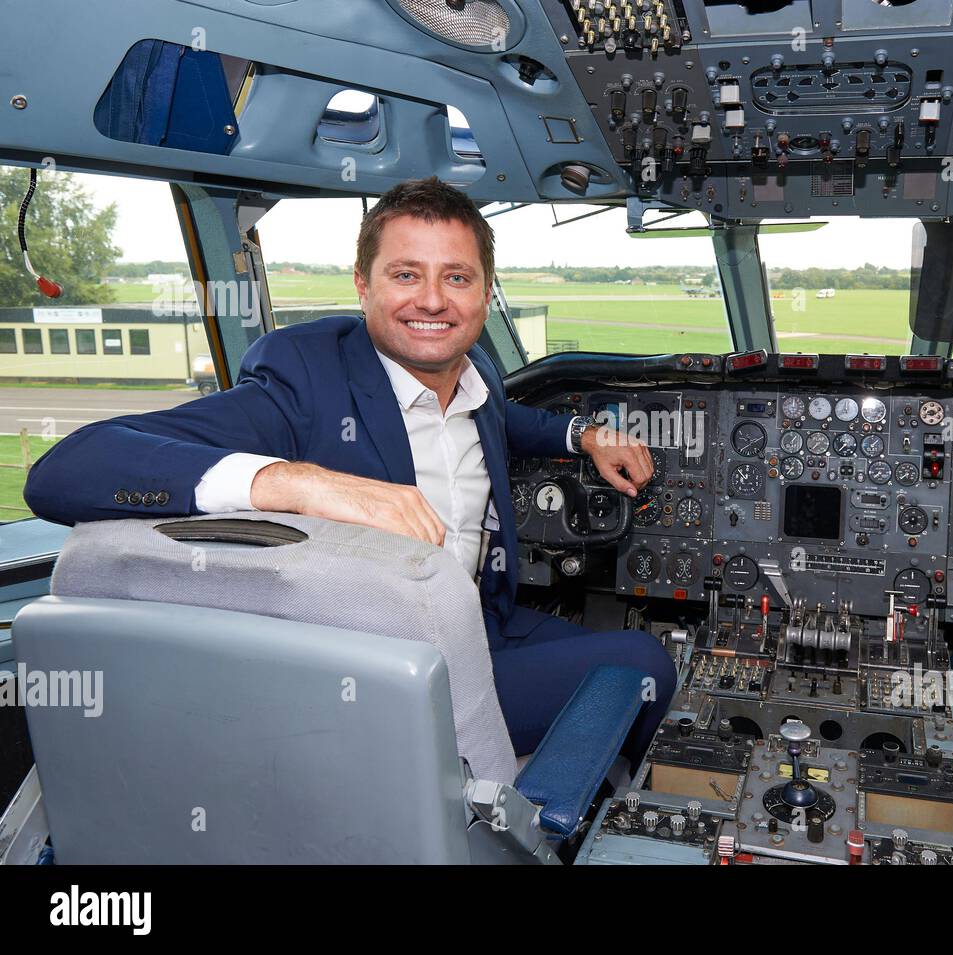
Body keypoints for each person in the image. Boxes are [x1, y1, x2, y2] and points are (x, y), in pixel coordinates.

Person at [23, 177, 677, 757]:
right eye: (404, 274)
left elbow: (503, 422)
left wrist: (583, 432)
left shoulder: (477, 373)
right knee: (647, 664)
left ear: (484, 292)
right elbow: (63, 471)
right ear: (361, 283)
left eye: (456, 276)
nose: (432, 300)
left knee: (617, 648)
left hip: (484, 621)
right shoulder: (305, 380)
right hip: (389, 670)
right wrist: (296, 482)